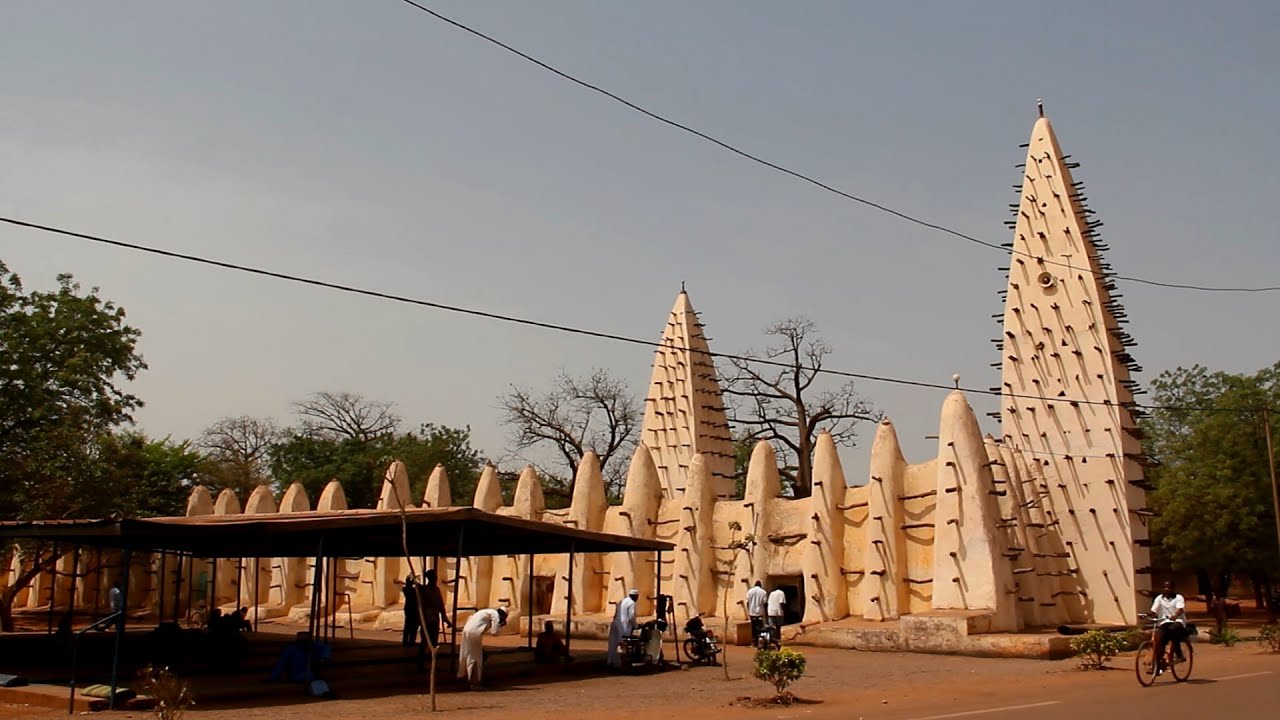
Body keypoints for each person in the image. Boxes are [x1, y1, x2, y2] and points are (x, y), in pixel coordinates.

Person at [457, 606, 507, 690]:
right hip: (474, 633)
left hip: (466, 631)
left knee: (467, 654)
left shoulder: (487, 611)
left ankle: (468, 680)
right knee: (475, 658)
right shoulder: (495, 615)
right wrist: (501, 625)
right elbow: (494, 632)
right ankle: (475, 683)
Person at [415, 569, 454, 672]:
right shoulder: (424, 590)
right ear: (430, 578)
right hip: (426, 620)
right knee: (424, 642)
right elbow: (420, 605)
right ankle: (420, 665)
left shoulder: (436, 590)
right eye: (434, 577)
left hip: (434, 620)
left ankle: (432, 664)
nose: (435, 579)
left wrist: (445, 619)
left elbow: (441, 605)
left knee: (434, 643)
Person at [1151, 581, 1188, 674]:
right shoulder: (1159, 598)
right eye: (1165, 587)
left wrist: (1175, 616)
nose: (1167, 589)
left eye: (1169, 587)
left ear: (1173, 588)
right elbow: (1154, 611)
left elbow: (1180, 609)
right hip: (1165, 622)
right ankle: (1157, 665)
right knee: (1159, 640)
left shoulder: (1178, 597)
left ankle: (1179, 654)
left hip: (1178, 621)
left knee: (1173, 630)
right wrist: (1147, 615)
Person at [607, 588, 639, 668]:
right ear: (635, 596)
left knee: (613, 644)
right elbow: (631, 617)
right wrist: (636, 625)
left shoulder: (622, 601)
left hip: (615, 623)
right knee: (623, 644)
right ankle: (620, 663)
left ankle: (610, 661)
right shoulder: (632, 603)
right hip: (623, 625)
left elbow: (616, 613)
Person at [746, 580, 767, 647]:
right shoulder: (763, 592)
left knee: (753, 628)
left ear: (755, 585)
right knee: (760, 628)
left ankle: (753, 642)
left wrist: (748, 610)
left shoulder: (750, 591)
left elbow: (747, 602)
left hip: (752, 612)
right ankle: (759, 643)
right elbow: (765, 603)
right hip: (759, 612)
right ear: (760, 585)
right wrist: (766, 613)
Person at [401, 575, 421, 647]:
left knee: (410, 626)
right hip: (411, 608)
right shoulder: (408, 590)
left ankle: (408, 641)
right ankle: (409, 641)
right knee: (411, 626)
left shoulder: (408, 589)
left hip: (411, 608)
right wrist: (415, 581)